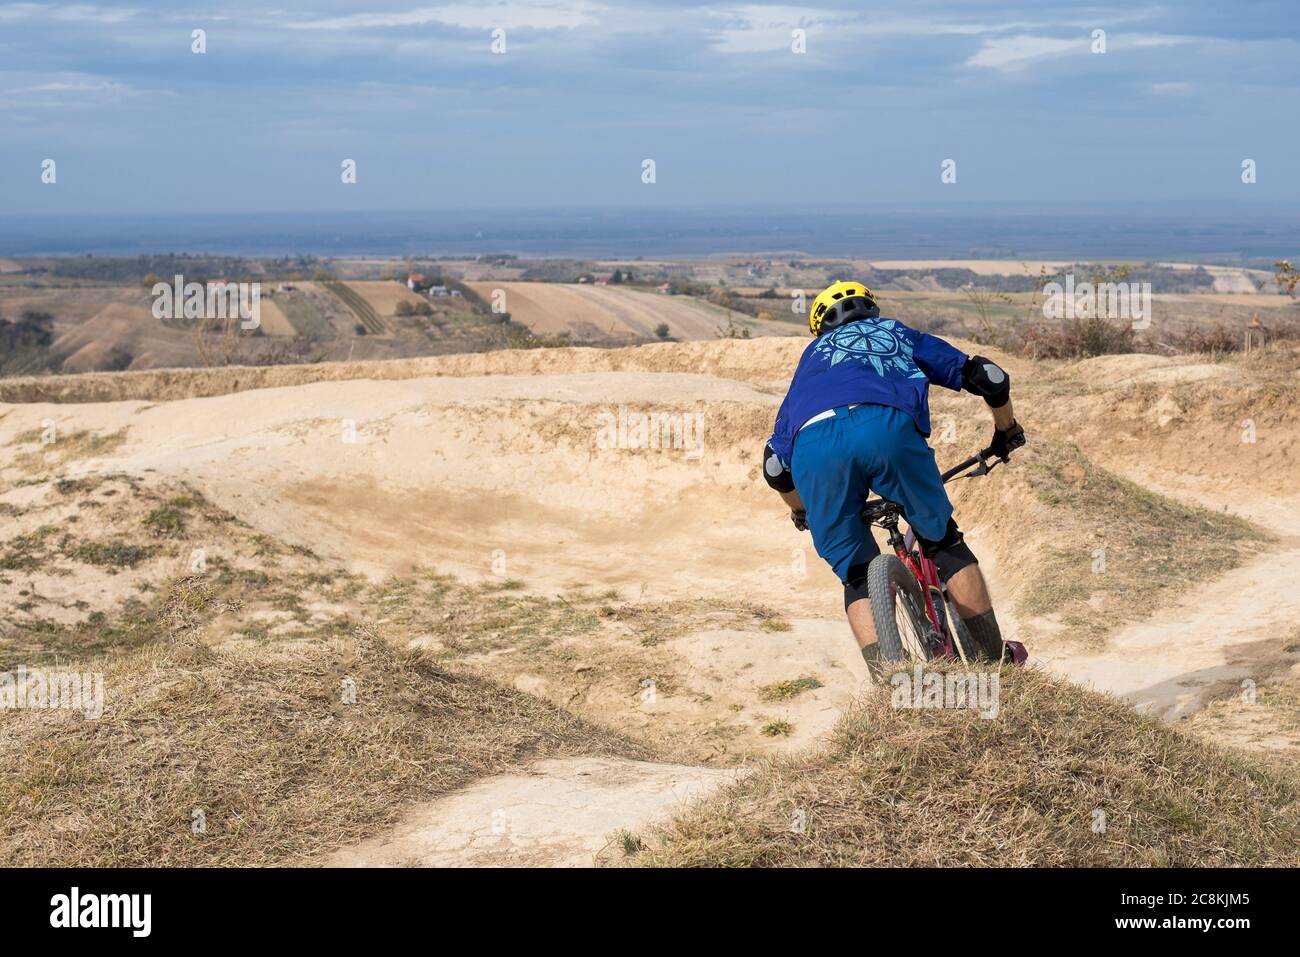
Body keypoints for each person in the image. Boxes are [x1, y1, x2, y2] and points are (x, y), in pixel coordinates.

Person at [762, 280, 1024, 674]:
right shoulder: (895, 332)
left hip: (816, 451)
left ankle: (888, 688)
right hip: (887, 432)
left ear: (819, 329)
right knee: (945, 544)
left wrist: (801, 511)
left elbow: (775, 466)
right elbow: (989, 376)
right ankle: (995, 669)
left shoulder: (810, 359)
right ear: (871, 310)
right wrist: (1006, 431)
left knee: (857, 576)